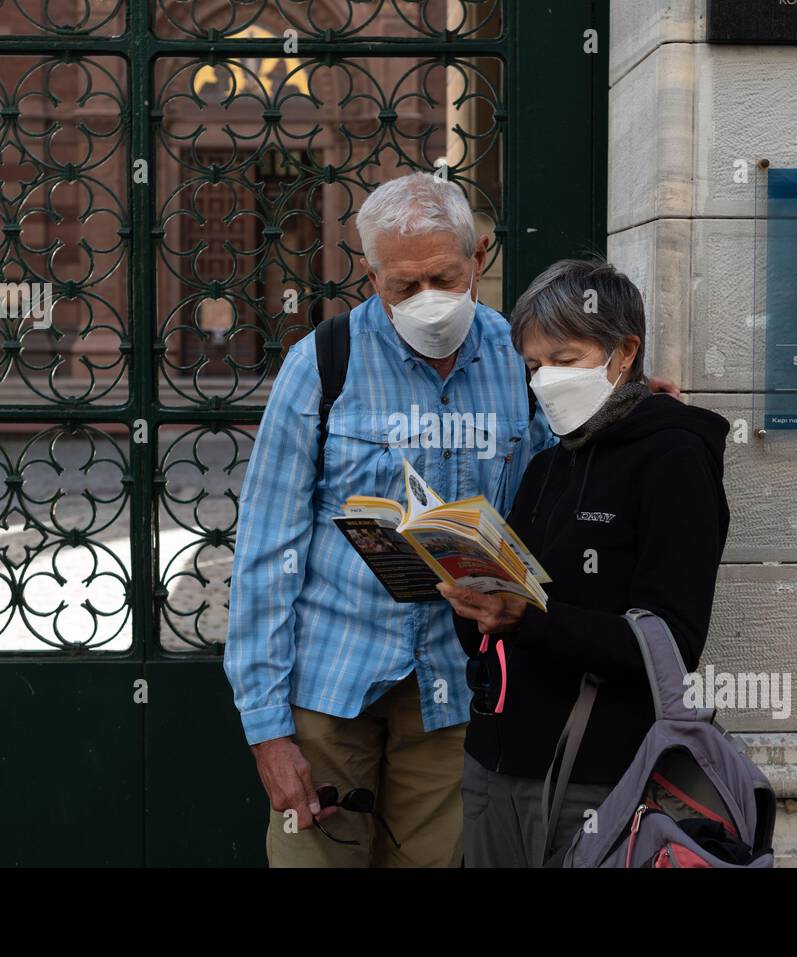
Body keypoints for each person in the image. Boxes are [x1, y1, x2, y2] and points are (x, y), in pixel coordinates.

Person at [223, 172, 556, 867]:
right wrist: (266, 731)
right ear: (370, 277)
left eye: (444, 275)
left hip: (456, 689)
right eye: (404, 285)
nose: (428, 300)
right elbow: (265, 548)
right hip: (328, 686)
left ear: (481, 259)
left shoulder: (523, 360)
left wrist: (641, 411)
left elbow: (572, 481)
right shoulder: (323, 363)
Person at [438, 258, 731, 867]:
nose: (545, 381)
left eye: (565, 360)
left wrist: (530, 618)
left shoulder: (673, 458)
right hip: (495, 765)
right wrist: (473, 600)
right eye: (533, 365)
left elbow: (670, 644)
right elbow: (504, 621)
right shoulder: (550, 463)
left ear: (624, 353)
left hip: (599, 779)